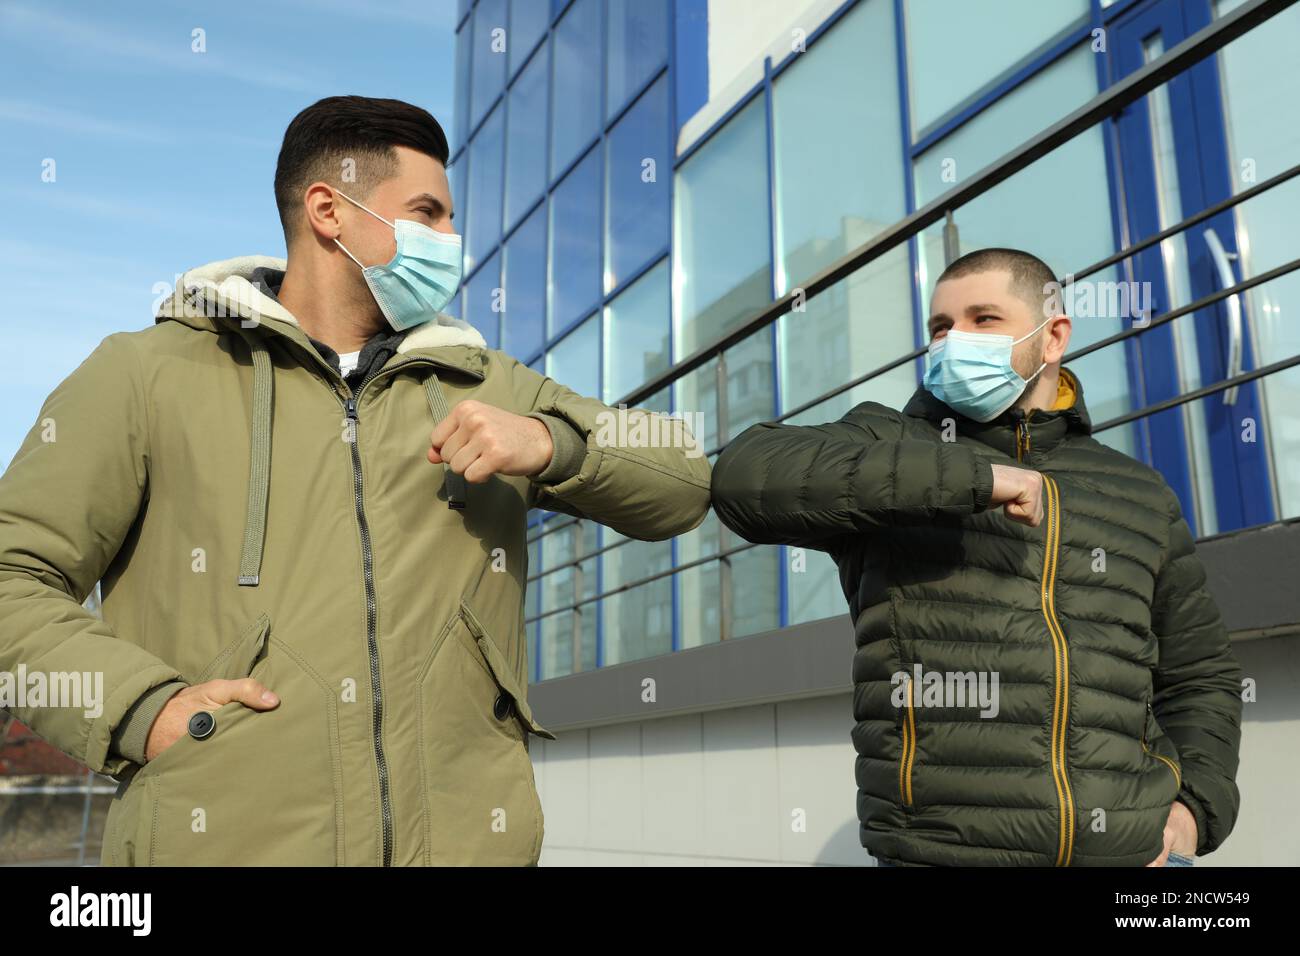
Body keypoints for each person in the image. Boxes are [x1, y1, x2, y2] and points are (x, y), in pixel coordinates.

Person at [0, 95, 711, 866]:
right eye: (428, 213)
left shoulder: (485, 382)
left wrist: (550, 442)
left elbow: (683, 475)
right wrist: (147, 710)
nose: (451, 240)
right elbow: (14, 577)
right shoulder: (146, 375)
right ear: (328, 210)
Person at [710, 247, 1243, 867]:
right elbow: (743, 478)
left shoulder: (1139, 492)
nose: (952, 340)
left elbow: (1200, 672)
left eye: (983, 319)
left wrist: (1193, 813)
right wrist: (975, 478)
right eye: (940, 327)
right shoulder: (886, 444)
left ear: (1053, 338)